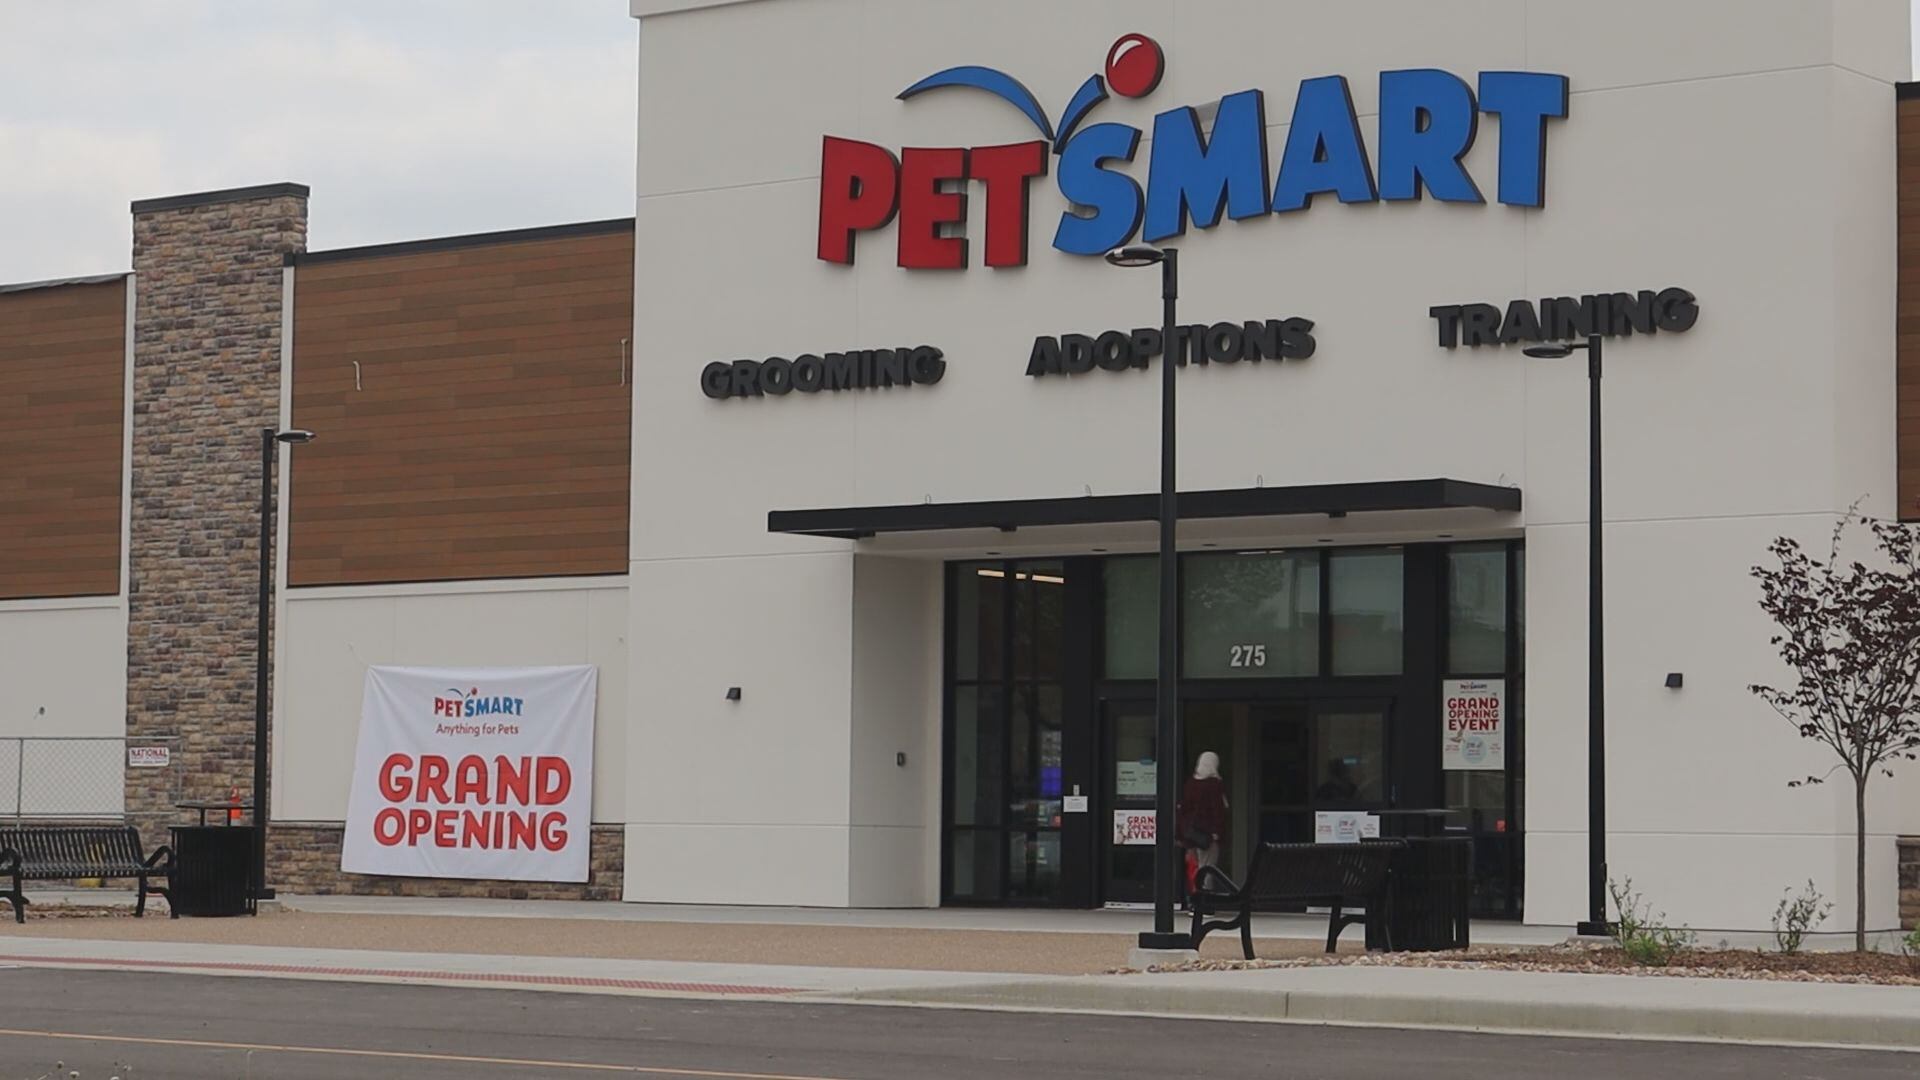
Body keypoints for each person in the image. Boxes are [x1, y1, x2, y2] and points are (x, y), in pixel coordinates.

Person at [1177, 751, 1230, 882]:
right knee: (1207, 869)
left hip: (1190, 834)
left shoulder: (1190, 784)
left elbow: (1183, 810)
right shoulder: (1214, 785)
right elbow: (1218, 810)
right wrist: (1217, 832)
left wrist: (1180, 833)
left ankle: (1193, 895)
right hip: (1207, 835)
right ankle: (1203, 898)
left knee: (1194, 868)